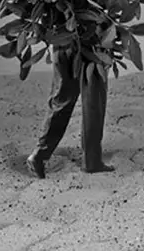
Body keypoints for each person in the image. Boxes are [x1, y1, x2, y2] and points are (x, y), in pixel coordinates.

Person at [26, 45, 115, 178]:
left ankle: (39, 154)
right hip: (93, 42)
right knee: (93, 101)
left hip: (63, 38)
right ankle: (92, 161)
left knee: (62, 97)